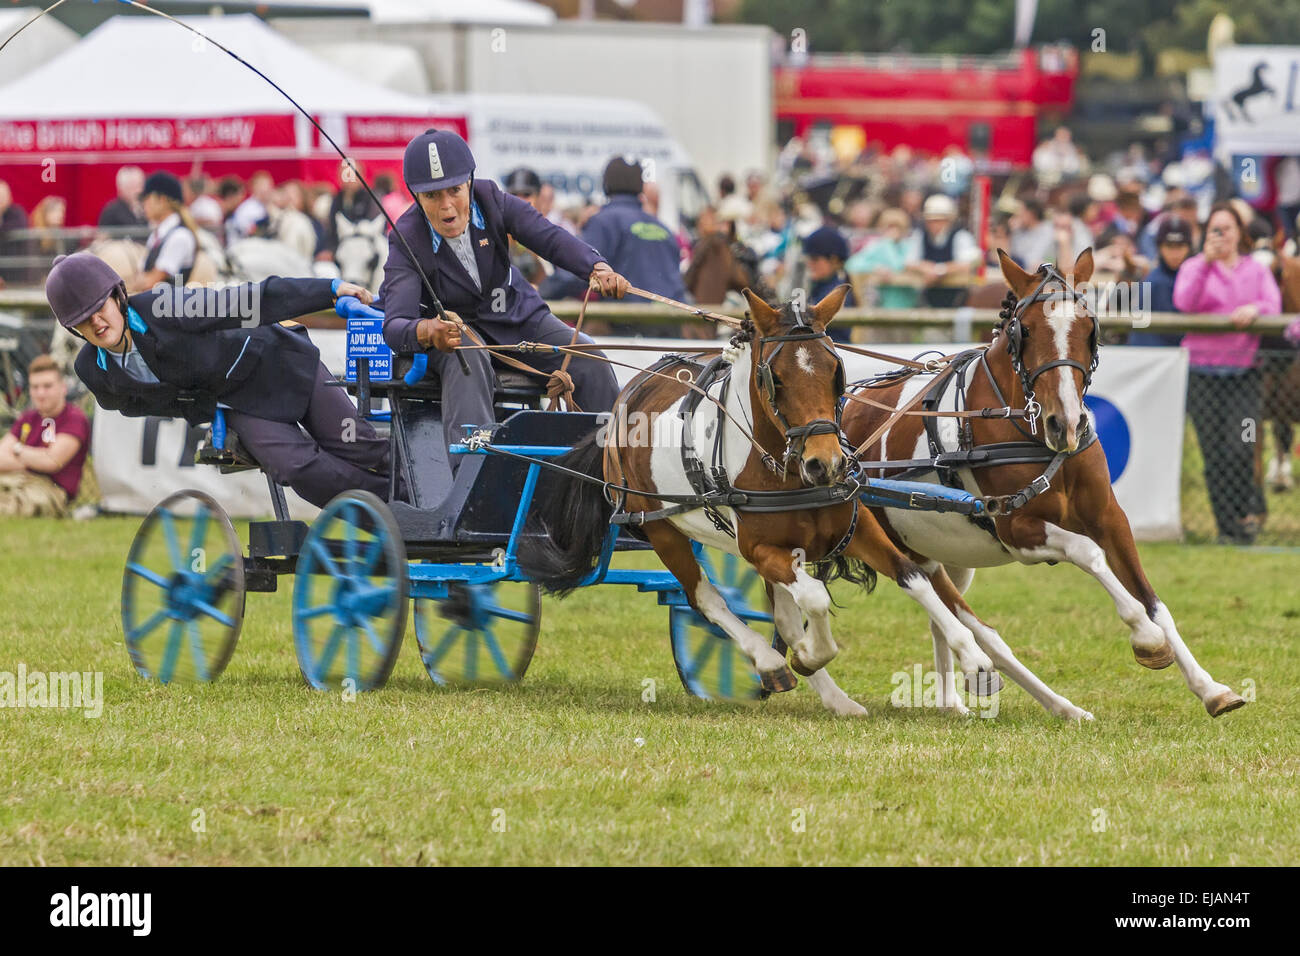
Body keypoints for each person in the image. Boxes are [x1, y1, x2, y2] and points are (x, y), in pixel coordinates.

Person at [47, 252, 391, 508]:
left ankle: (428, 495)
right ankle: (388, 508)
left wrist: (328, 290)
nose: (96, 323)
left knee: (358, 446)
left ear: (117, 296)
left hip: (282, 363)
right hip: (240, 403)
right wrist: (208, 409)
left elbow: (248, 301)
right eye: (82, 321)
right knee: (295, 467)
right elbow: (137, 404)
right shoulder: (92, 370)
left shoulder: (168, 306)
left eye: (99, 308)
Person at [378, 129, 625, 465]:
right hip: (456, 340)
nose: (447, 206)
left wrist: (595, 267)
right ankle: (475, 483)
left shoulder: (493, 199)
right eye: (433, 196)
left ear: (469, 182)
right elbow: (395, 327)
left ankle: (613, 470)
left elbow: (549, 238)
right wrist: (428, 331)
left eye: (455, 190)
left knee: (588, 357)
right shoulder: (405, 238)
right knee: (468, 353)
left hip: (520, 320)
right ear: (416, 198)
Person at [1173, 202, 1282, 544]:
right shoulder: (1194, 267)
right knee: (1213, 452)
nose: (1220, 236)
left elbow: (1273, 305)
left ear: (1240, 233)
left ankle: (1244, 513)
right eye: (1213, 230)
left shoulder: (1256, 270)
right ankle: (1228, 528)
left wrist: (1255, 309)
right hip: (1202, 374)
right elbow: (1184, 302)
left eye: (1227, 228)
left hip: (1244, 374)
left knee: (1243, 443)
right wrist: (1206, 262)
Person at [549, 157, 687, 305]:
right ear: (640, 186)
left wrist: (541, 292)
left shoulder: (602, 222)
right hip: (672, 321)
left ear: (606, 184)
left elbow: (577, 270)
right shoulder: (663, 229)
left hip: (627, 322)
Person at [0, 354, 90, 517]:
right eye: (35, 387)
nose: (40, 393)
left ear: (63, 387)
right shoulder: (28, 418)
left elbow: (52, 461)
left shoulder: (74, 418)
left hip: (50, 490)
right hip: (15, 479)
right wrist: (32, 461)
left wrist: (18, 450)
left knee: (14, 505)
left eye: (47, 386)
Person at [128, 172, 199, 292]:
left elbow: (151, 282)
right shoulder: (158, 235)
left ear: (162, 200)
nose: (144, 205)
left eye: (147, 199)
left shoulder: (180, 236)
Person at [908, 193, 980, 307]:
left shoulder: (961, 236)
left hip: (957, 297)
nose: (934, 225)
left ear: (949, 220)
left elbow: (967, 263)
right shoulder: (920, 235)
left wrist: (939, 270)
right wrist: (926, 268)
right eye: (931, 221)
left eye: (939, 220)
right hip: (927, 298)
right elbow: (909, 261)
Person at [1128, 217, 1191, 347]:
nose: (1174, 253)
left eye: (1180, 246)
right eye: (1169, 246)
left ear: (1189, 247)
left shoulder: (1195, 278)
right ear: (1159, 247)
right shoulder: (1152, 282)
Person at [846, 207, 919, 310]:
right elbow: (851, 264)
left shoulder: (910, 246)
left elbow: (899, 266)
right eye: (890, 227)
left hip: (910, 302)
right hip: (884, 303)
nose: (894, 231)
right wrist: (875, 268)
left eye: (897, 227)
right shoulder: (877, 246)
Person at [801, 224, 857, 342]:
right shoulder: (818, 286)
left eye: (815, 258)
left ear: (834, 260)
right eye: (808, 258)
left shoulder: (837, 292)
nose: (809, 263)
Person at [0, 180, 29, 286]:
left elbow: (19, 226)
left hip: (15, 271)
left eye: (4, 195)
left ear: (9, 197)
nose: (1, 199)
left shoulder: (17, 212)